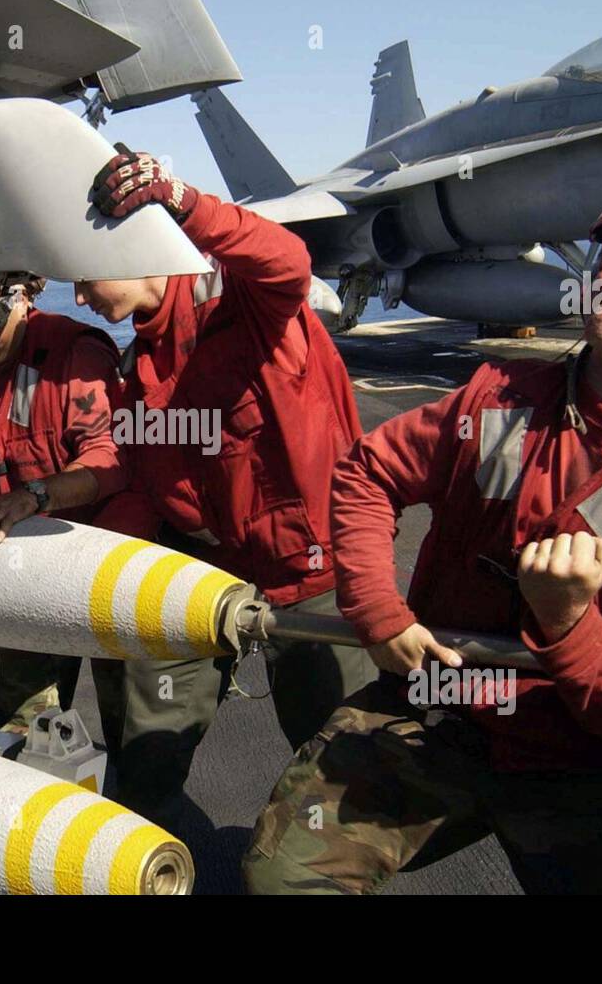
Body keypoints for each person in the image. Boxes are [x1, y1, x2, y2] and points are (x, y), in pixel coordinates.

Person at [243, 176, 602, 895]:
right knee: (279, 881)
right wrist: (377, 611)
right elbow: (367, 474)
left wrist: (568, 625)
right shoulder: (498, 400)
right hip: (436, 713)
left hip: (578, 757)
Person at [77, 145, 375, 826]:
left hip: (311, 576)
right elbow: (146, 482)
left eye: (87, 278)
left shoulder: (247, 307)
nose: (83, 297)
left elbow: (288, 261)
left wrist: (180, 200)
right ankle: (131, 860)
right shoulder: (139, 362)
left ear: (133, 252)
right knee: (147, 750)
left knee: (336, 758)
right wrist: (102, 563)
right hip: (206, 577)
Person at [0, 275, 143, 742]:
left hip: (103, 572)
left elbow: (108, 457)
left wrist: (35, 496)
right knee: (24, 733)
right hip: (24, 584)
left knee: (136, 732)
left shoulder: (75, 354)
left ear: (20, 301)